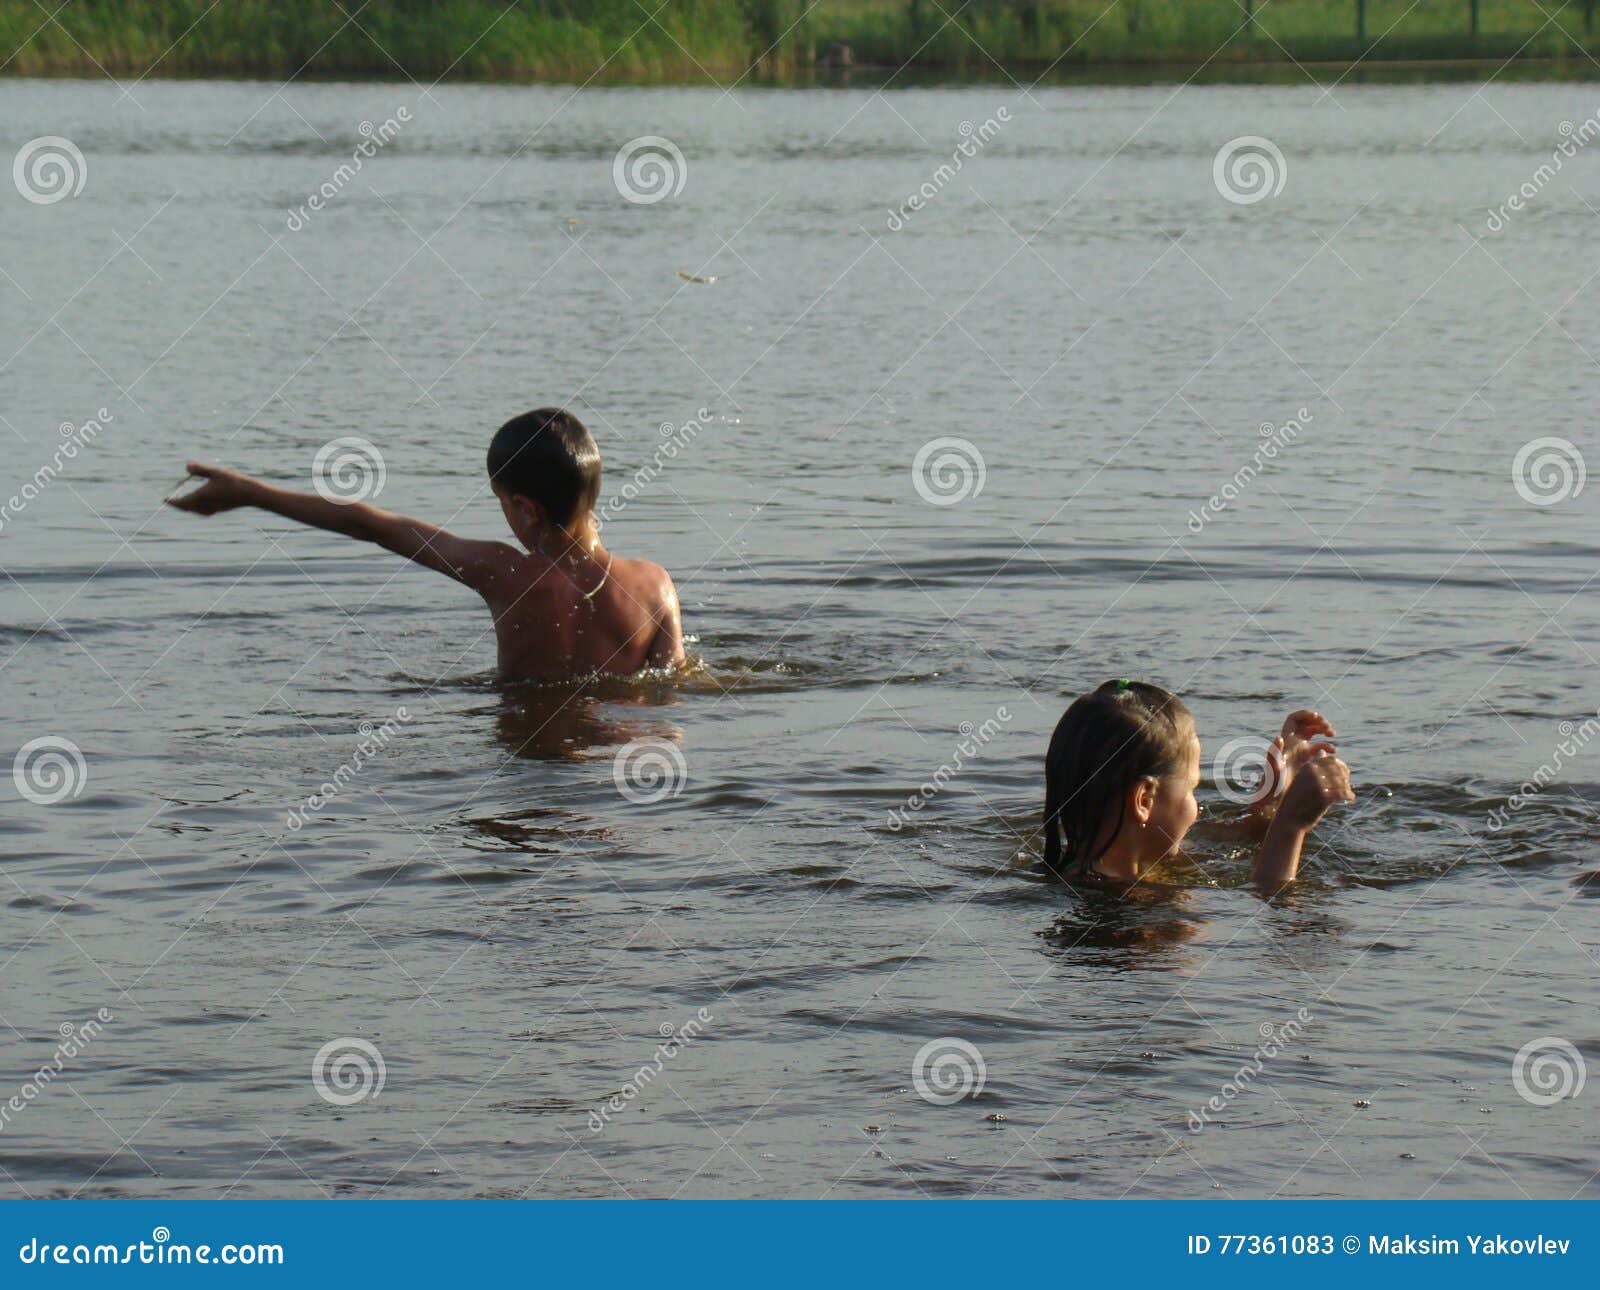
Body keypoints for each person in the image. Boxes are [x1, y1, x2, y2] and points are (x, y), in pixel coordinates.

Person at [167, 408, 684, 680]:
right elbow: (671, 689)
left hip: (521, 753)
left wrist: (249, 493)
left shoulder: (503, 572)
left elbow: (372, 525)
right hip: (607, 768)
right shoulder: (654, 585)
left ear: (526, 508)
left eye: (502, 503)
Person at [1041, 679, 1353, 890]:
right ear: (1144, 800)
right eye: (1191, 790)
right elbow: (1271, 909)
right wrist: (1291, 826)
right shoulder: (1120, 907)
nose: (1197, 809)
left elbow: (1232, 839)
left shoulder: (1127, 860)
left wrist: (1273, 803)